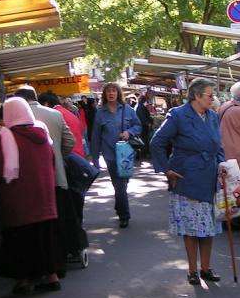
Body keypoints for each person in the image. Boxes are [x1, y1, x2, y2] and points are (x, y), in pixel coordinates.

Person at [151, 78, 225, 286]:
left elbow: (217, 145)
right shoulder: (178, 115)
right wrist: (167, 170)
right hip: (187, 179)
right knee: (191, 228)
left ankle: (206, 268)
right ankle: (192, 270)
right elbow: (157, 143)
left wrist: (223, 166)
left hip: (210, 177)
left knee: (209, 227)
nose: (213, 98)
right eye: (210, 95)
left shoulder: (212, 116)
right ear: (196, 96)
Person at [0, 97, 61, 294]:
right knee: (44, 237)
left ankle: (25, 280)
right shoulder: (42, 131)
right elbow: (52, 160)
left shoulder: (8, 136)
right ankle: (51, 276)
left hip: (19, 199)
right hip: (45, 197)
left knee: (21, 240)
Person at [14, 86, 78, 268]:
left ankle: (40, 266)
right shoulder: (55, 115)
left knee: (35, 226)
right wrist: (58, 157)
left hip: (27, 182)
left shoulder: (14, 119)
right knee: (56, 221)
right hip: (56, 176)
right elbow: (70, 142)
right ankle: (59, 260)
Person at [91, 82, 142, 228]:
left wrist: (129, 132)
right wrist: (95, 158)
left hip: (126, 154)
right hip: (110, 155)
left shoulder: (128, 110)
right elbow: (95, 136)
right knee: (119, 185)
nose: (111, 93)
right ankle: (124, 215)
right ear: (105, 94)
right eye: (108, 91)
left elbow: (138, 126)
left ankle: (119, 206)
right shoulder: (100, 113)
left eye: (114, 91)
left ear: (118, 93)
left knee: (123, 185)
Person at [38, 92, 86, 158]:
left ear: (46, 104)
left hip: (69, 157)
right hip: (79, 153)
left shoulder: (53, 114)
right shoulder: (67, 112)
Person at [135, 93, 154, 160]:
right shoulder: (141, 107)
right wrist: (148, 123)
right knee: (144, 140)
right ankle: (144, 154)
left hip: (142, 127)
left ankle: (143, 154)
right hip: (143, 127)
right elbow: (143, 118)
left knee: (143, 140)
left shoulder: (140, 107)